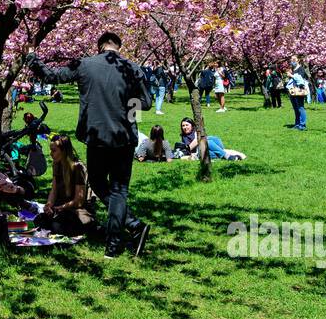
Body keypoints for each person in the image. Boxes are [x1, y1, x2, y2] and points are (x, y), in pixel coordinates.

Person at [27, 31, 151, 258]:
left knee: (99, 183)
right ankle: (129, 230)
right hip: (124, 138)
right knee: (118, 190)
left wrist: (32, 56)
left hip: (97, 137)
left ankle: (125, 234)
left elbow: (52, 77)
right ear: (118, 47)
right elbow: (147, 102)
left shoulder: (85, 65)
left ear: (100, 46)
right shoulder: (132, 68)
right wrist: (125, 105)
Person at [35, 134, 96, 236]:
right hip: (61, 208)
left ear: (64, 151)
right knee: (39, 220)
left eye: (54, 150)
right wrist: (49, 204)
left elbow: (79, 201)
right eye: (51, 150)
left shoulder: (78, 168)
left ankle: (92, 228)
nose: (51, 154)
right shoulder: (57, 164)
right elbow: (53, 190)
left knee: (57, 226)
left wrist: (61, 207)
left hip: (77, 210)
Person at [173, 117, 246, 161]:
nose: (185, 127)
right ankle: (226, 155)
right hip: (199, 152)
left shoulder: (196, 132)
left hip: (206, 147)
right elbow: (189, 149)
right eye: (183, 126)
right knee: (207, 141)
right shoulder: (184, 136)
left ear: (192, 125)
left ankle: (222, 153)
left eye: (187, 125)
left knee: (214, 139)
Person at [286, 60, 310, 130]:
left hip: (299, 90)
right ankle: (297, 124)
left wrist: (291, 75)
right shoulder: (293, 69)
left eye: (294, 59)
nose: (292, 61)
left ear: (298, 60)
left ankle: (302, 125)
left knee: (300, 107)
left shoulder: (301, 69)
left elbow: (301, 79)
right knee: (296, 108)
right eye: (291, 60)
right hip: (292, 91)